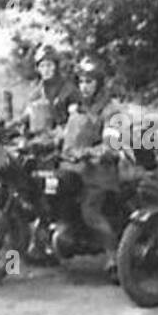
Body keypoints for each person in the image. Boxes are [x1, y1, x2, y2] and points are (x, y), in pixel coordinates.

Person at [60, 54, 125, 279]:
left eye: (89, 82)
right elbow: (66, 135)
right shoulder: (77, 108)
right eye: (81, 81)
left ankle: (114, 257)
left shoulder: (111, 110)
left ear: (99, 83)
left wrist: (88, 153)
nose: (84, 86)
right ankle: (38, 250)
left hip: (100, 173)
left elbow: (111, 145)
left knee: (90, 212)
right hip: (74, 168)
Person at [21, 43, 79, 135]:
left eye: (49, 65)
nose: (46, 70)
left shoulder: (69, 89)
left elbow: (77, 120)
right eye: (42, 66)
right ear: (38, 69)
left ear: (56, 66)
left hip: (63, 136)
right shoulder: (37, 91)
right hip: (38, 135)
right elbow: (26, 115)